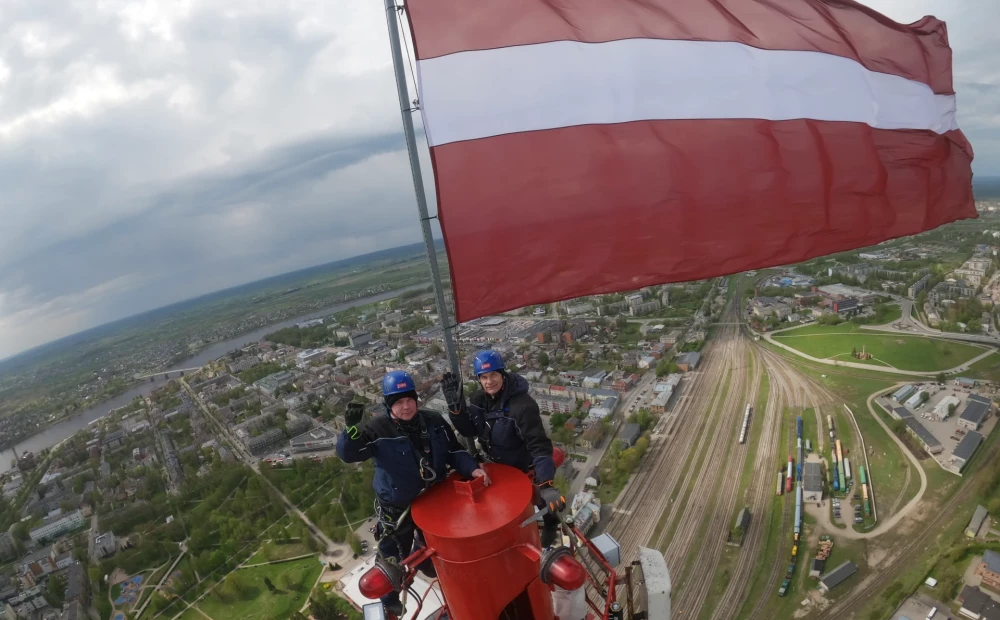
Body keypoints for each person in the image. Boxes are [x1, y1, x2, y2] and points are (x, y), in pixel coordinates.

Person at [337, 370, 489, 616]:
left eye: (409, 400)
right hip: (398, 506)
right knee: (392, 555)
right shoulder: (377, 430)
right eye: (398, 402)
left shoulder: (433, 421)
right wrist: (351, 432)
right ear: (389, 405)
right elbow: (350, 454)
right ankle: (388, 601)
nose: (406, 406)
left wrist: (472, 469)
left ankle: (434, 567)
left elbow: (454, 451)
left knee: (441, 542)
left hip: (433, 500)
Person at [441, 349, 565, 546]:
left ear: (503, 375)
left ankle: (550, 523)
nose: (489, 381)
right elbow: (468, 431)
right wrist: (456, 409)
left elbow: (539, 447)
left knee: (539, 499)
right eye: (484, 377)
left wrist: (547, 484)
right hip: (494, 465)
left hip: (521, 468)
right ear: (479, 379)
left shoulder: (522, 406)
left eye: (493, 375)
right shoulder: (479, 401)